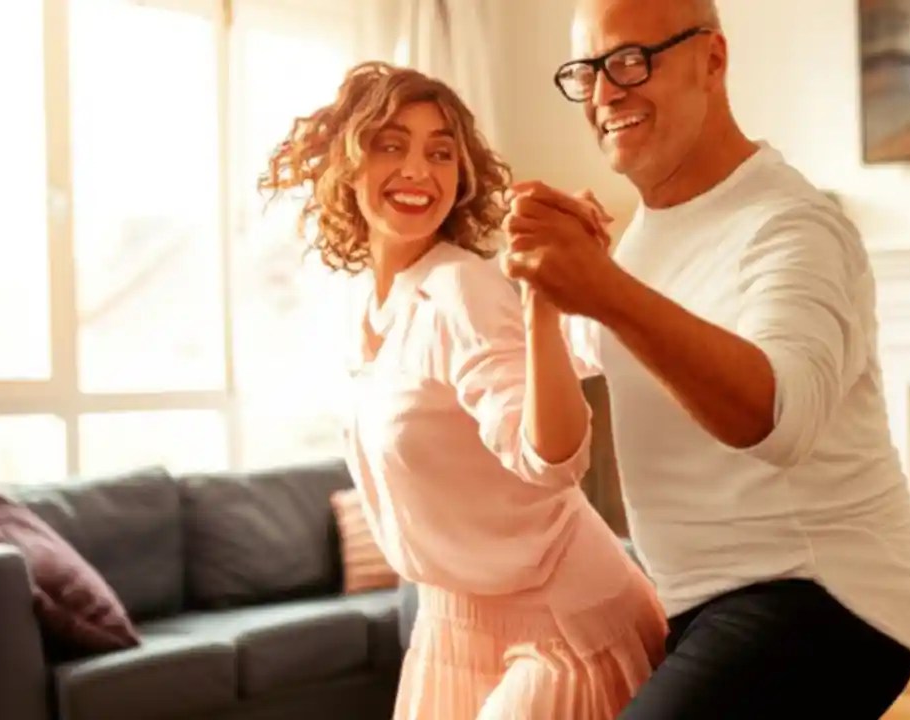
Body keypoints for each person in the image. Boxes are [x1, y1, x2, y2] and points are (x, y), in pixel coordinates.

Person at [501, 0, 910, 717]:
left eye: (629, 60)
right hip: (702, 600)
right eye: (585, 71)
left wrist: (605, 287)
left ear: (712, 60)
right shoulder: (645, 238)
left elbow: (777, 418)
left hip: (824, 594)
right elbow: (575, 403)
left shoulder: (793, 223)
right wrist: (547, 291)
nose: (604, 92)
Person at [258, 61, 666, 720]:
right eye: (393, 144)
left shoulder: (460, 289)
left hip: (558, 629)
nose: (419, 169)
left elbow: (552, 461)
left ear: (461, 175)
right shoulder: (360, 305)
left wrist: (544, 303)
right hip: (450, 628)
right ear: (349, 163)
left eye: (440, 152)